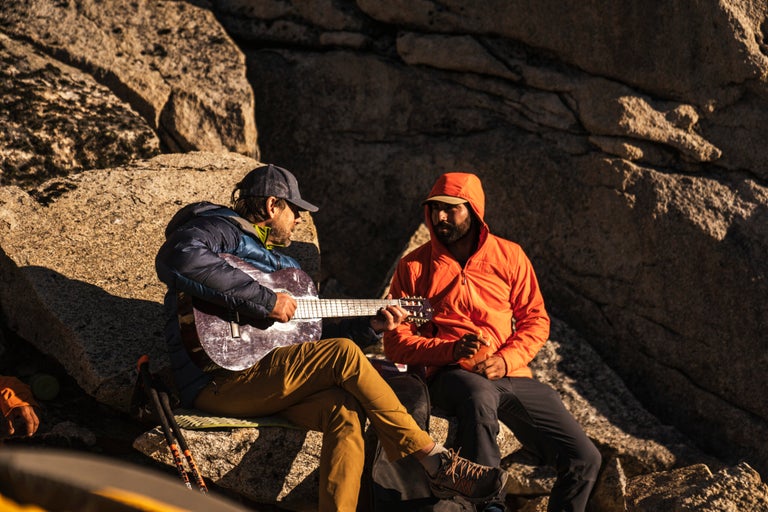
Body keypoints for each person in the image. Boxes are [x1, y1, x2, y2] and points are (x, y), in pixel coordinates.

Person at [155, 164, 509, 512]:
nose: (299, 219)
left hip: (261, 381)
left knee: (344, 409)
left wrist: (372, 327)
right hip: (215, 380)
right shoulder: (220, 228)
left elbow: (310, 340)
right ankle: (435, 461)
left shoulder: (278, 265)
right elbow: (179, 256)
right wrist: (266, 301)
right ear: (272, 205)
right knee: (342, 353)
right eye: (295, 209)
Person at [383, 172, 602, 512]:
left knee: (584, 458)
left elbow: (536, 320)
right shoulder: (414, 266)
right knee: (478, 395)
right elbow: (396, 343)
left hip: (509, 373)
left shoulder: (510, 255)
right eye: (435, 208)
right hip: (450, 376)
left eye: (451, 209)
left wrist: (506, 360)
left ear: (473, 210)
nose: (440, 217)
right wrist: (450, 350)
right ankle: (490, 505)